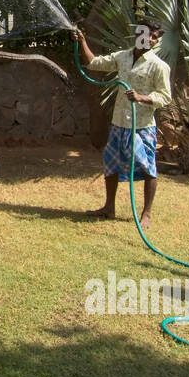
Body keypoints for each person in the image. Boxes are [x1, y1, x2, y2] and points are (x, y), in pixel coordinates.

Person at [72, 22, 172, 228]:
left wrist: (141, 97)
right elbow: (94, 63)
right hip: (119, 123)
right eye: (146, 35)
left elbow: (165, 96)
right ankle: (109, 208)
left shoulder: (159, 66)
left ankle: (146, 214)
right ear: (137, 35)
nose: (150, 39)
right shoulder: (122, 57)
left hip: (142, 126)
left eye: (154, 37)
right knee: (111, 164)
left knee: (148, 168)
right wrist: (82, 41)